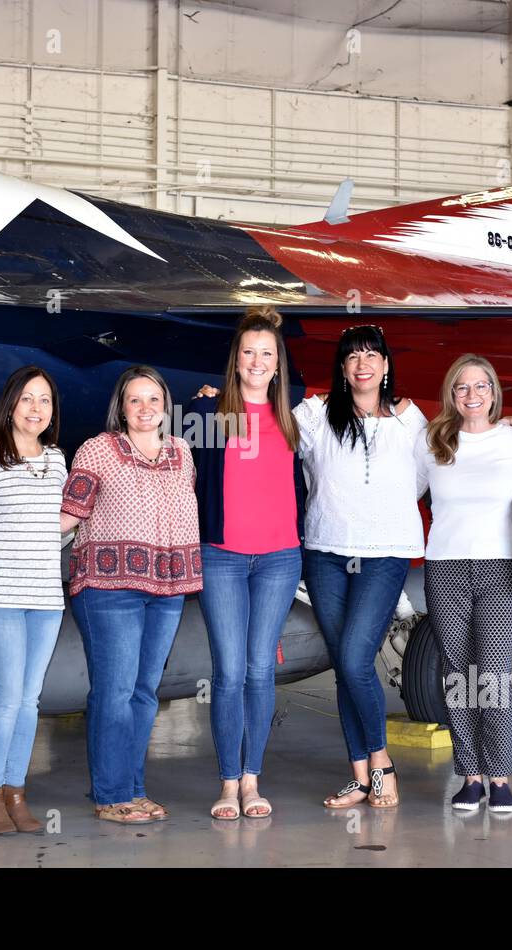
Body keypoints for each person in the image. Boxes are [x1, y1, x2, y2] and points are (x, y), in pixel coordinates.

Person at [60, 366, 202, 824]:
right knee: (115, 691)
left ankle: (134, 788)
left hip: (168, 588)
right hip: (108, 588)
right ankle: (111, 794)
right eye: (135, 400)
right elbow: (69, 514)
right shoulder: (98, 450)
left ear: (166, 406)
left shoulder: (181, 451)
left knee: (144, 692)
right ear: (121, 406)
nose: (145, 409)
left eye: (153, 400)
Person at [295, 325, 426, 810]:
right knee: (344, 668)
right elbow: (269, 433)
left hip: (385, 553)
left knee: (354, 659)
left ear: (386, 365)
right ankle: (360, 776)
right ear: (343, 367)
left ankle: (381, 763)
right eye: (353, 356)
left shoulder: (409, 419)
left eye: (373, 354)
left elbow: (432, 471)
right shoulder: (313, 414)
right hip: (326, 551)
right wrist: (214, 405)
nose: (363, 363)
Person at [186, 306, 305, 820]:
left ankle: (253, 780)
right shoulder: (212, 416)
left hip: (280, 560)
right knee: (229, 671)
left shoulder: (295, 419)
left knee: (261, 672)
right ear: (235, 361)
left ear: (278, 365)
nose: (257, 361)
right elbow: (178, 477)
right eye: (248, 352)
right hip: (223, 559)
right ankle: (228, 783)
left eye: (267, 354)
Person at [418, 354, 512, 814]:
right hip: (444, 566)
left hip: (500, 567)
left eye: (481, 386)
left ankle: (500, 776)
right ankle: (470, 776)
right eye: (462, 387)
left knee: (493, 673)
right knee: (458, 674)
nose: (472, 395)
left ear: (493, 392)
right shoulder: (433, 441)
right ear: (452, 394)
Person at [0, 366, 67, 836]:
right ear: (10, 403)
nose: (36, 408)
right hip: (1, 595)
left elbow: (58, 525)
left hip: (46, 597)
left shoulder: (57, 459)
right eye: (27, 398)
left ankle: (16, 791)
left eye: (44, 400)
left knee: (30, 699)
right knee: (6, 697)